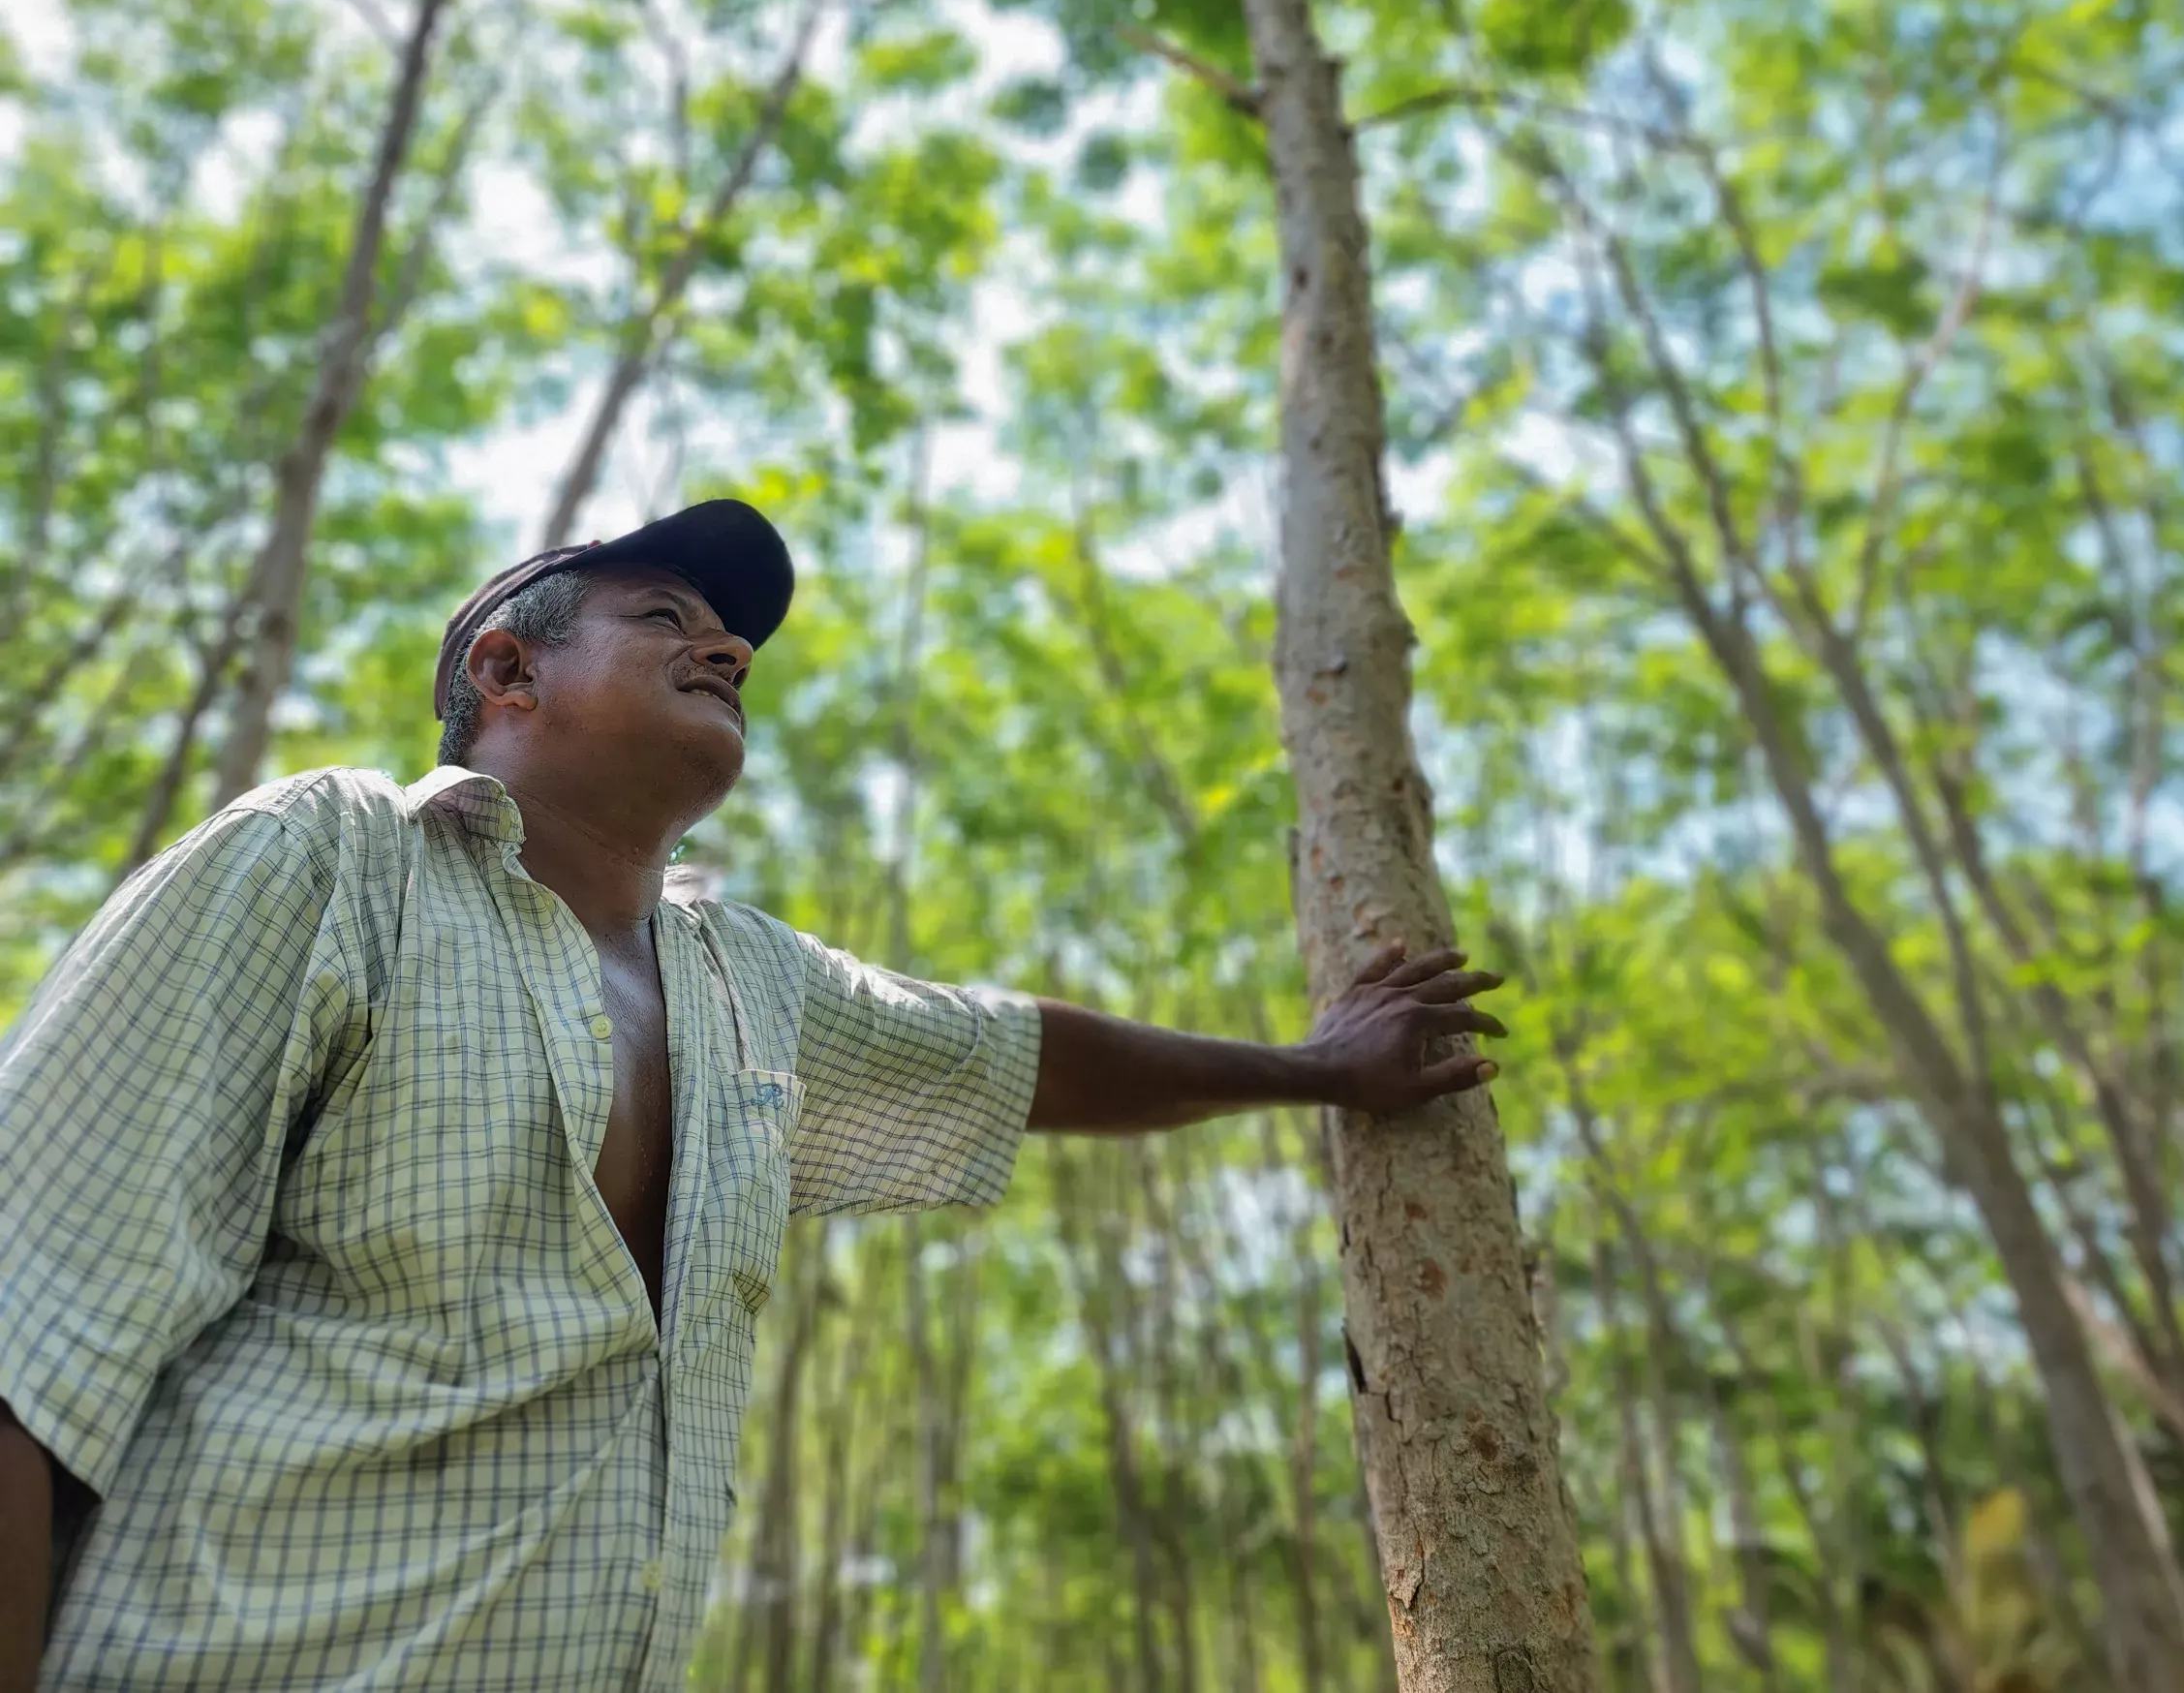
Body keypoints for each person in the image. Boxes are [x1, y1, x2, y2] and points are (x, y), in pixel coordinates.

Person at [0, 500, 1507, 1691]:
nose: (724, 648)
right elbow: (34, 1338)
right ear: (508, 673)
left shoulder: (748, 984)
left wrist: (1319, 1071)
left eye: (733, 639)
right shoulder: (327, 859)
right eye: (665, 617)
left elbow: (1020, 1055)